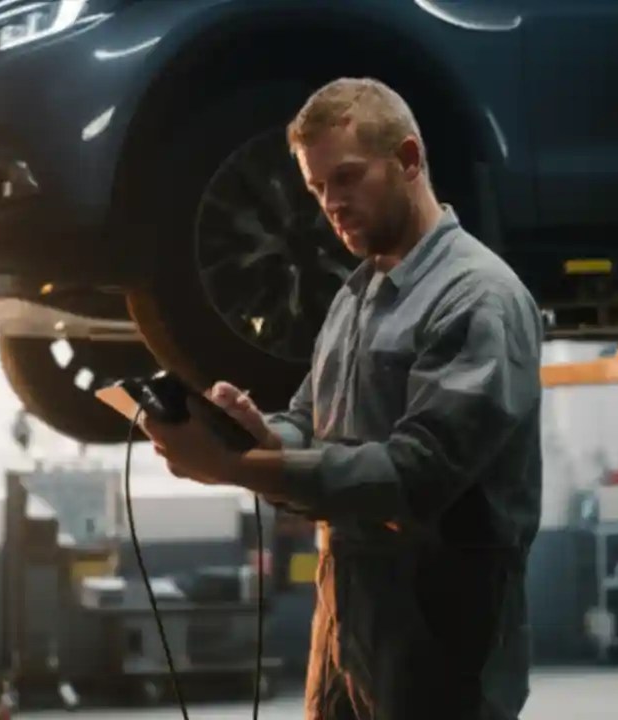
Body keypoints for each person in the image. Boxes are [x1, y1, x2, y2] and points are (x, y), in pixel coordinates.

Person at [141, 77, 544, 720]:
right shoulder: (355, 295)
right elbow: (309, 421)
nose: (331, 203)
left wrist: (235, 467)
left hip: (440, 634)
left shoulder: (477, 299)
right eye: (317, 187)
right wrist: (256, 434)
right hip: (345, 623)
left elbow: (414, 476)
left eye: (347, 178)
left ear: (409, 159)